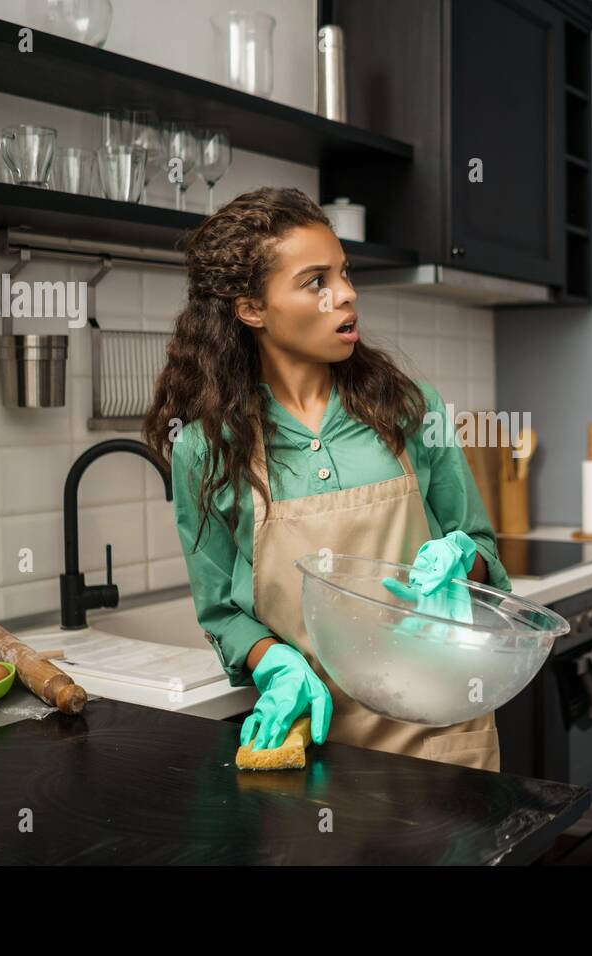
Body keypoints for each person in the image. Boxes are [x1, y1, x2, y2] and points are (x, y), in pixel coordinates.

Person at [144, 187, 510, 772]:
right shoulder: (207, 448)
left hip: (442, 734)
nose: (346, 294)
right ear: (251, 308)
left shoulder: (412, 410)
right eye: (316, 281)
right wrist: (272, 663)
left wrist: (461, 564)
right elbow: (221, 613)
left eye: (343, 272)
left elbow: (485, 555)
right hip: (315, 741)